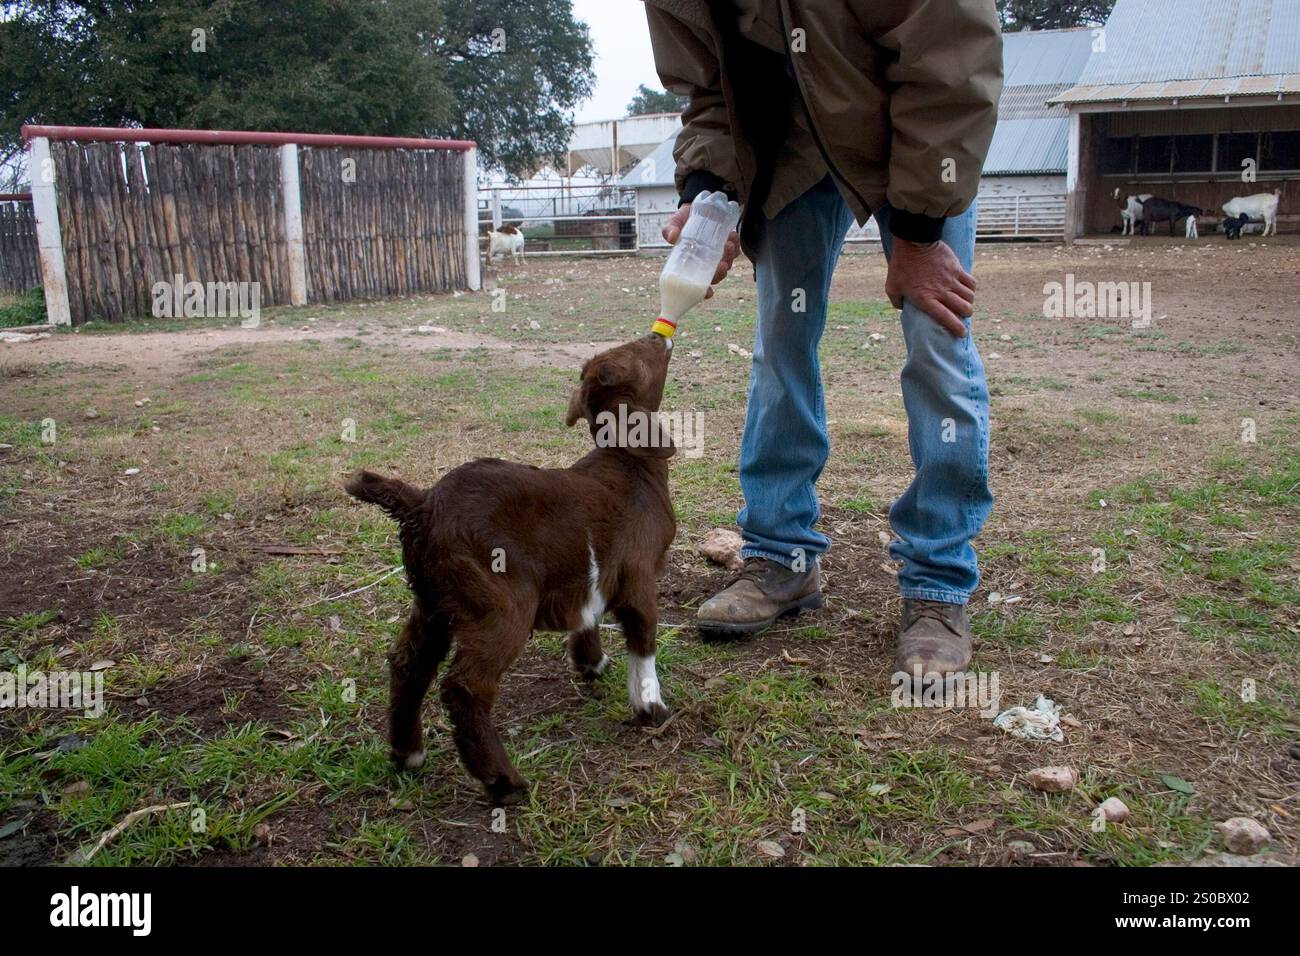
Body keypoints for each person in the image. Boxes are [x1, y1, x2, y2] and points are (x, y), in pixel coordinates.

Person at [644, 0, 1003, 679]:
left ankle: (937, 583)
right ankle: (783, 559)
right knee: (780, 337)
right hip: (792, 148)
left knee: (937, 335)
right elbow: (710, 92)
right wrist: (708, 191)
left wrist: (921, 232)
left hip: (920, 126)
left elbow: (953, 62)